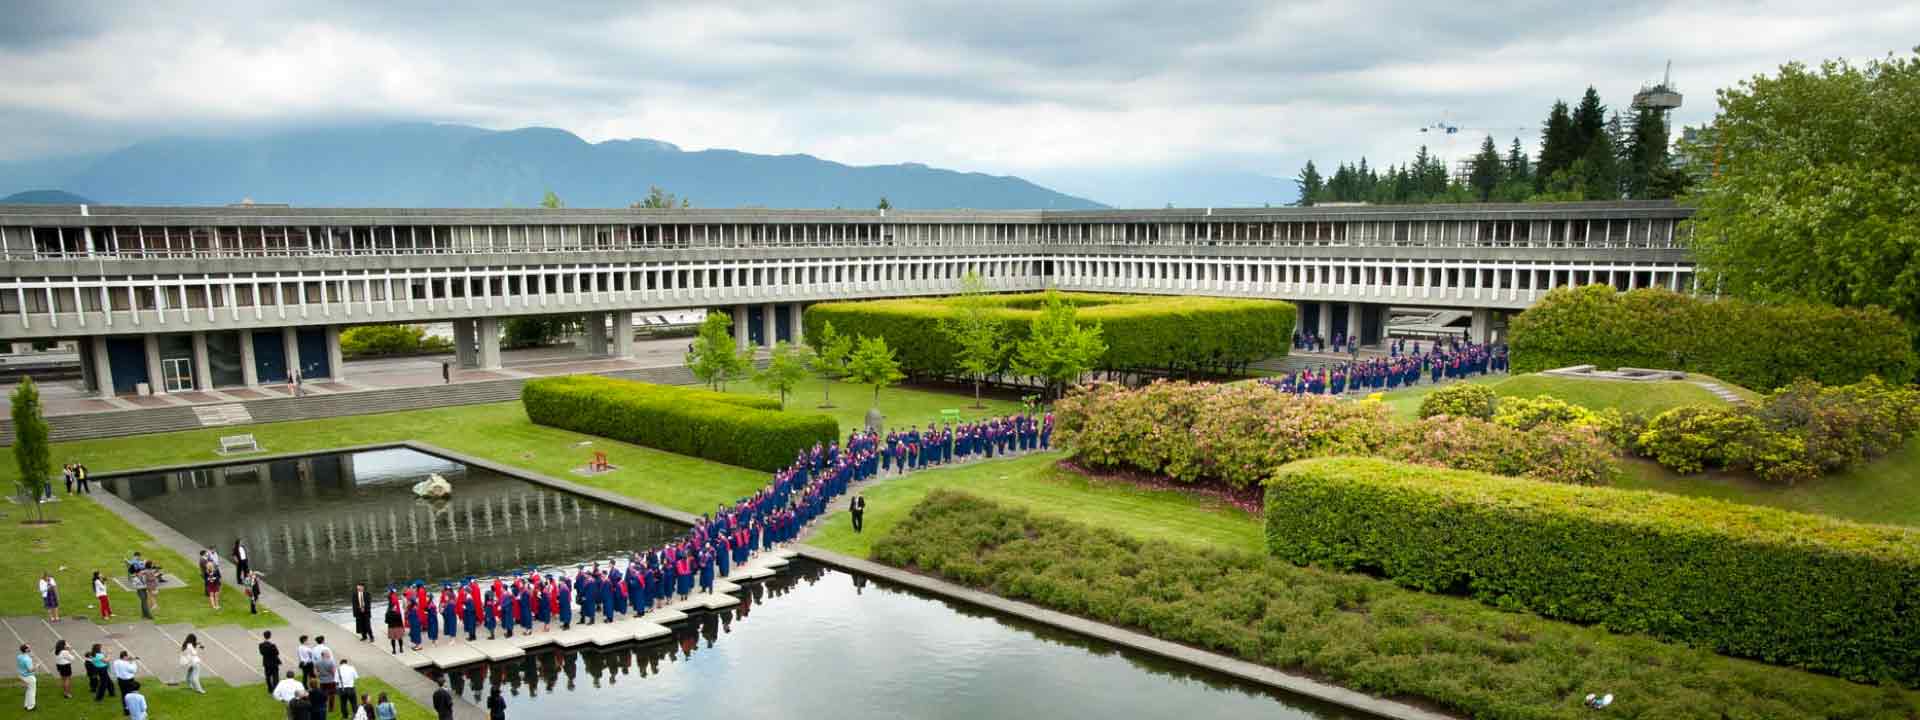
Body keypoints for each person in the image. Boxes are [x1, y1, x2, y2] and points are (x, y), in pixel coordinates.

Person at [17, 643, 40, 711]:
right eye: (28, 648)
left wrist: (30, 657)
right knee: (32, 692)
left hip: (22, 676)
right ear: (26, 650)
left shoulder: (19, 656)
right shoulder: (27, 659)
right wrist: (37, 666)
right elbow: (30, 670)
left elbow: (25, 660)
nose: (30, 648)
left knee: (28, 691)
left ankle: (26, 705)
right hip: (29, 677)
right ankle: (31, 706)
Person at [314, 650, 338, 714]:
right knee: (332, 695)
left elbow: (315, 673)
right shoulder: (331, 662)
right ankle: (331, 708)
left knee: (323, 694)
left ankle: (323, 706)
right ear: (324, 655)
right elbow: (334, 672)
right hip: (331, 681)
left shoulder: (317, 662)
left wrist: (319, 676)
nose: (329, 655)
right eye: (328, 654)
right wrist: (334, 678)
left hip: (322, 681)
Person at [260, 630, 283, 694]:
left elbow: (261, 653)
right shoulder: (272, 645)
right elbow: (277, 653)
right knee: (275, 677)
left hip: (266, 663)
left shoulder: (261, 645)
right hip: (274, 663)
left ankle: (270, 689)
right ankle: (275, 689)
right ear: (270, 636)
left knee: (268, 677)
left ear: (264, 636)